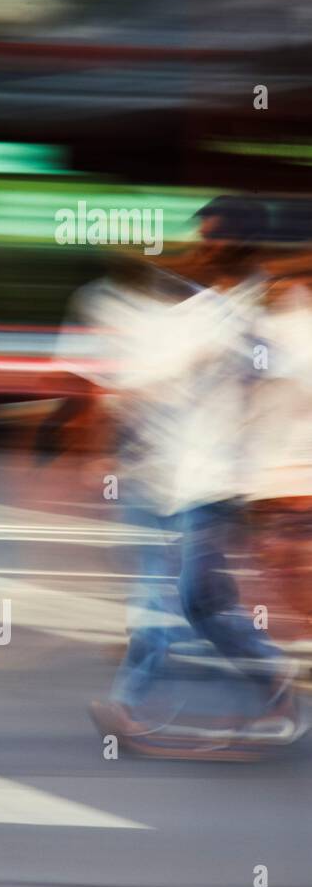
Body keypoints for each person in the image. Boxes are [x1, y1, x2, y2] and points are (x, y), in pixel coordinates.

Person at [80, 199, 299, 751]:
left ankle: (129, 704)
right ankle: (274, 680)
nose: (206, 247)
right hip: (171, 477)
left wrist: (270, 485)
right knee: (200, 602)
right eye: (204, 236)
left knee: (173, 594)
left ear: (246, 244)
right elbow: (147, 384)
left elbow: (277, 399)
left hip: (220, 483)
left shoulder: (264, 317)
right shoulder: (198, 310)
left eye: (218, 237)